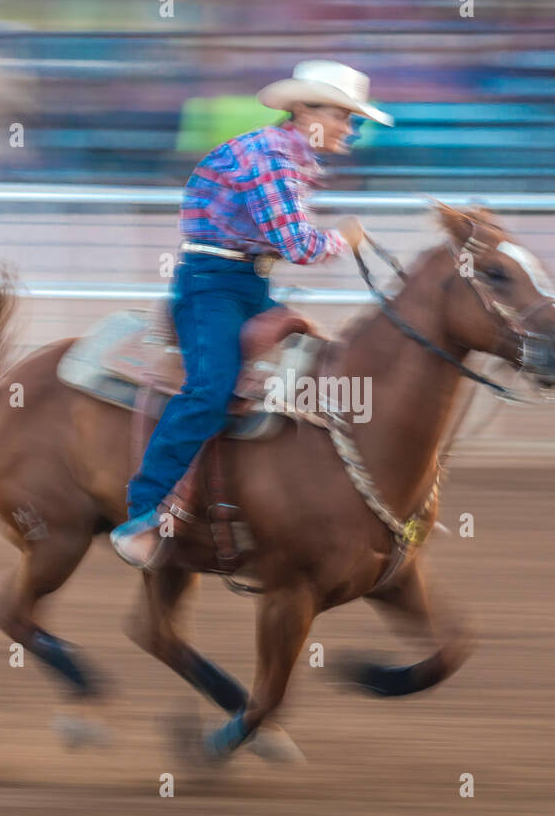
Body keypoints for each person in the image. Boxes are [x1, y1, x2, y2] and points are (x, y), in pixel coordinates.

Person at [111, 59, 393, 568]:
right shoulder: (272, 159)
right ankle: (144, 510)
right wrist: (345, 238)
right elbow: (300, 245)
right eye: (344, 116)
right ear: (304, 110)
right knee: (211, 388)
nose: (351, 129)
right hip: (212, 286)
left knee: (316, 368)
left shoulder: (291, 157)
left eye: (355, 120)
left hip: (244, 282)